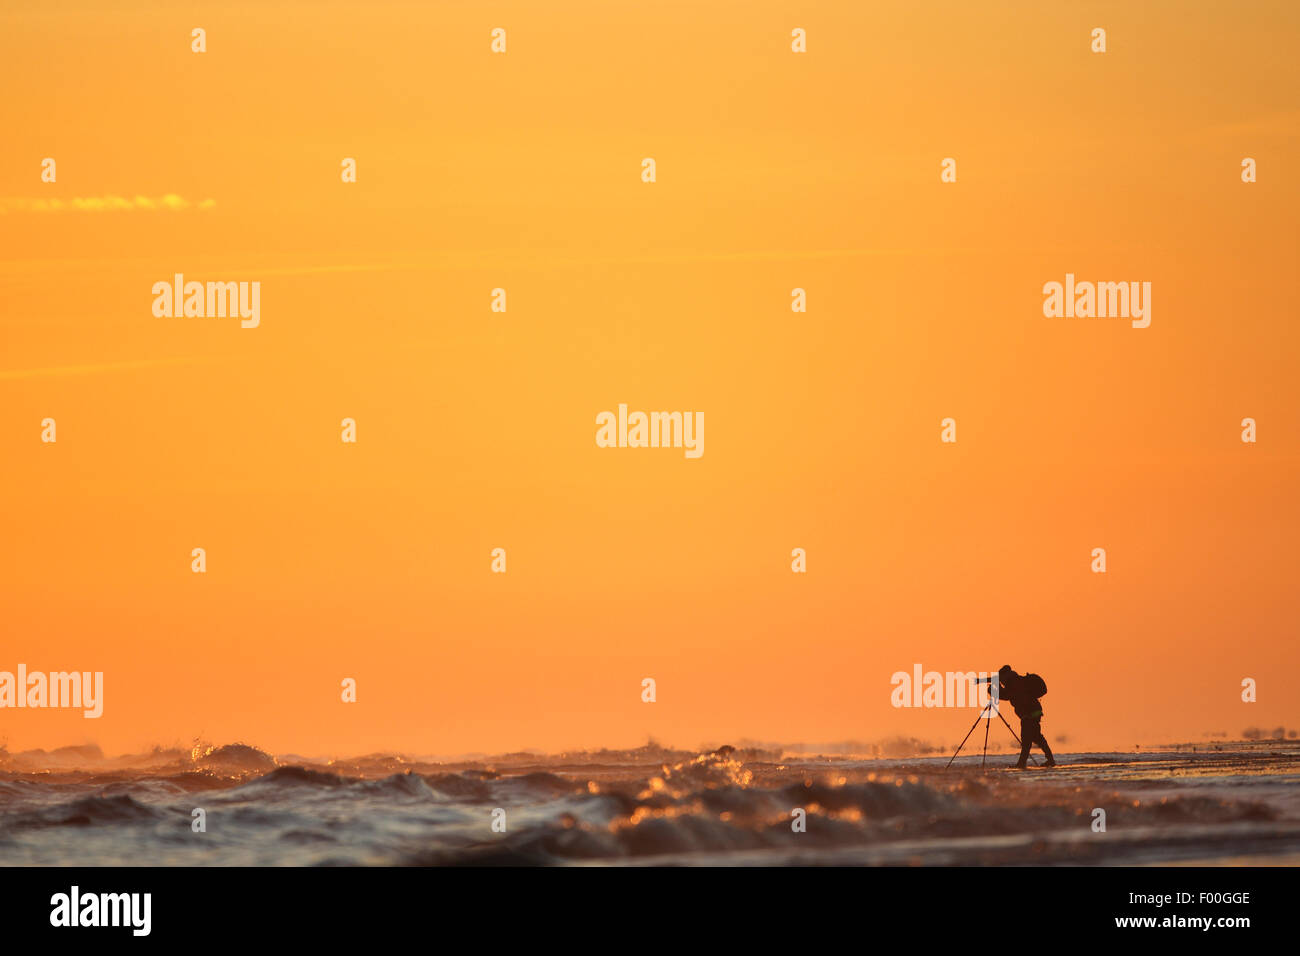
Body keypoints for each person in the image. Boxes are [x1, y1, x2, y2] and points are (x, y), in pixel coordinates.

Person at [996, 665, 1055, 769]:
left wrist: (994, 690)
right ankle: (1050, 760)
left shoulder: (1014, 683)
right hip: (1034, 712)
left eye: (1001, 678)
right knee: (1037, 737)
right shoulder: (1016, 680)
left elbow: (1006, 695)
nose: (1001, 681)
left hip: (1029, 714)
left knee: (1026, 739)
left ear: (1005, 676)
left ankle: (1022, 763)